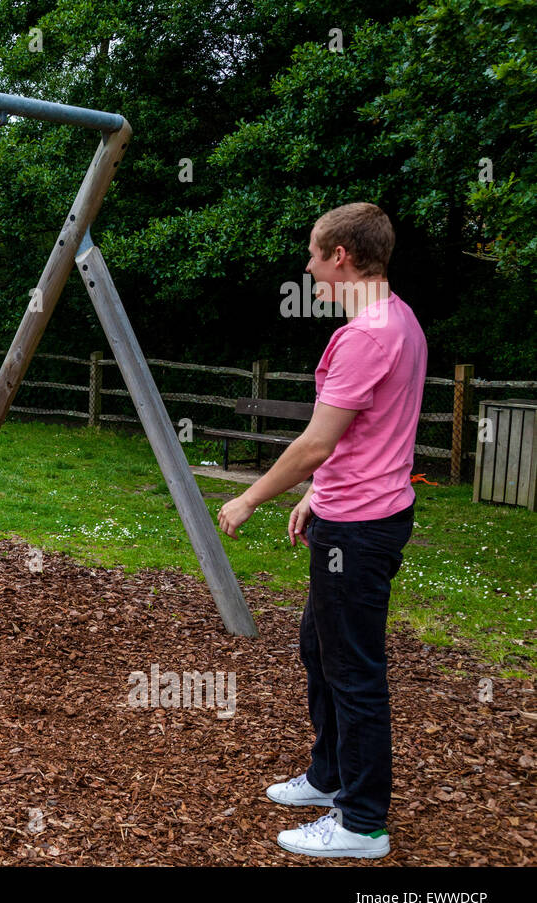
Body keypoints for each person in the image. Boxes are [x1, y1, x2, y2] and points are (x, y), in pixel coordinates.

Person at [216, 202, 427, 859]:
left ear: (342, 257)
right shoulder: (398, 319)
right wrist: (316, 495)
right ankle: (330, 776)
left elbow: (315, 443)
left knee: (354, 671)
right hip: (355, 513)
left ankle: (361, 824)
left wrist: (251, 496)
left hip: (360, 533)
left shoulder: (367, 334)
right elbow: (367, 437)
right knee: (320, 648)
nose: (307, 266)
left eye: (314, 253)